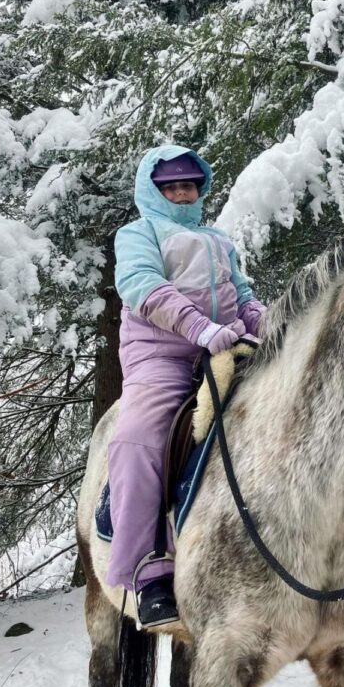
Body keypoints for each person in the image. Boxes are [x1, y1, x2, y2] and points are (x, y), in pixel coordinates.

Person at [107, 145, 266, 626]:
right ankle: (149, 569)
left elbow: (241, 295)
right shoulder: (138, 233)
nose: (181, 192)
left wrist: (272, 322)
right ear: (152, 191)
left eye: (189, 184)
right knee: (137, 438)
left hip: (224, 347)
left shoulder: (218, 239)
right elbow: (141, 286)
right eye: (171, 185)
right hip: (161, 355)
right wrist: (199, 328)